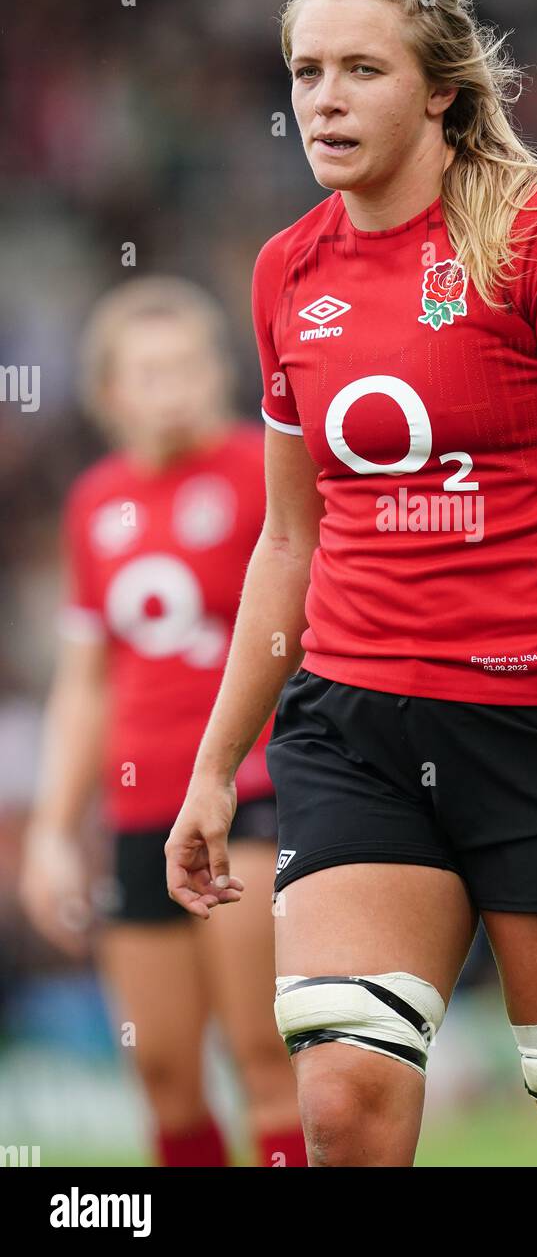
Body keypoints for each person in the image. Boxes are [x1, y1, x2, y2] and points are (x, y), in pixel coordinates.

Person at [166, 0, 537, 1168]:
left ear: (441, 90)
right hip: (351, 725)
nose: (325, 97)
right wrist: (214, 763)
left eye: (362, 69)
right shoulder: (285, 271)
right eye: (306, 71)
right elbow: (289, 540)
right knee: (342, 1108)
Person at [19, 276, 306, 1168]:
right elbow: (87, 684)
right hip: (141, 809)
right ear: (110, 392)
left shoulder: (264, 470)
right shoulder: (95, 503)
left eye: (189, 365)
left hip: (248, 790)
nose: (174, 386)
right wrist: (53, 830)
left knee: (265, 1055)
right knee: (165, 1075)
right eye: (150, 371)